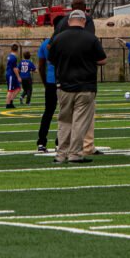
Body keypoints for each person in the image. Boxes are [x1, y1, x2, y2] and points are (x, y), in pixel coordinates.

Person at [46, 9, 106, 163]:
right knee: (80, 121)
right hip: (85, 85)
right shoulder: (91, 38)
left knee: (64, 121)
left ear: (68, 21)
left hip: (64, 85)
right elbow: (102, 60)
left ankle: (61, 154)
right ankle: (75, 154)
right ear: (84, 22)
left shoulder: (58, 39)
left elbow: (51, 59)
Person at [34, 26, 60, 155]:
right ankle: (60, 142)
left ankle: (41, 142)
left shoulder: (45, 43)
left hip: (50, 82)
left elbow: (41, 66)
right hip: (64, 82)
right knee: (66, 114)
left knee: (48, 113)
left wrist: (45, 83)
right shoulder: (65, 42)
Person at [3, 44, 21, 109]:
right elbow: (14, 68)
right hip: (11, 75)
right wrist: (18, 76)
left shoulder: (10, 56)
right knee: (10, 90)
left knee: (18, 88)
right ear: (17, 50)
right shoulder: (13, 57)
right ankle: (8, 104)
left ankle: (10, 101)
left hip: (11, 74)